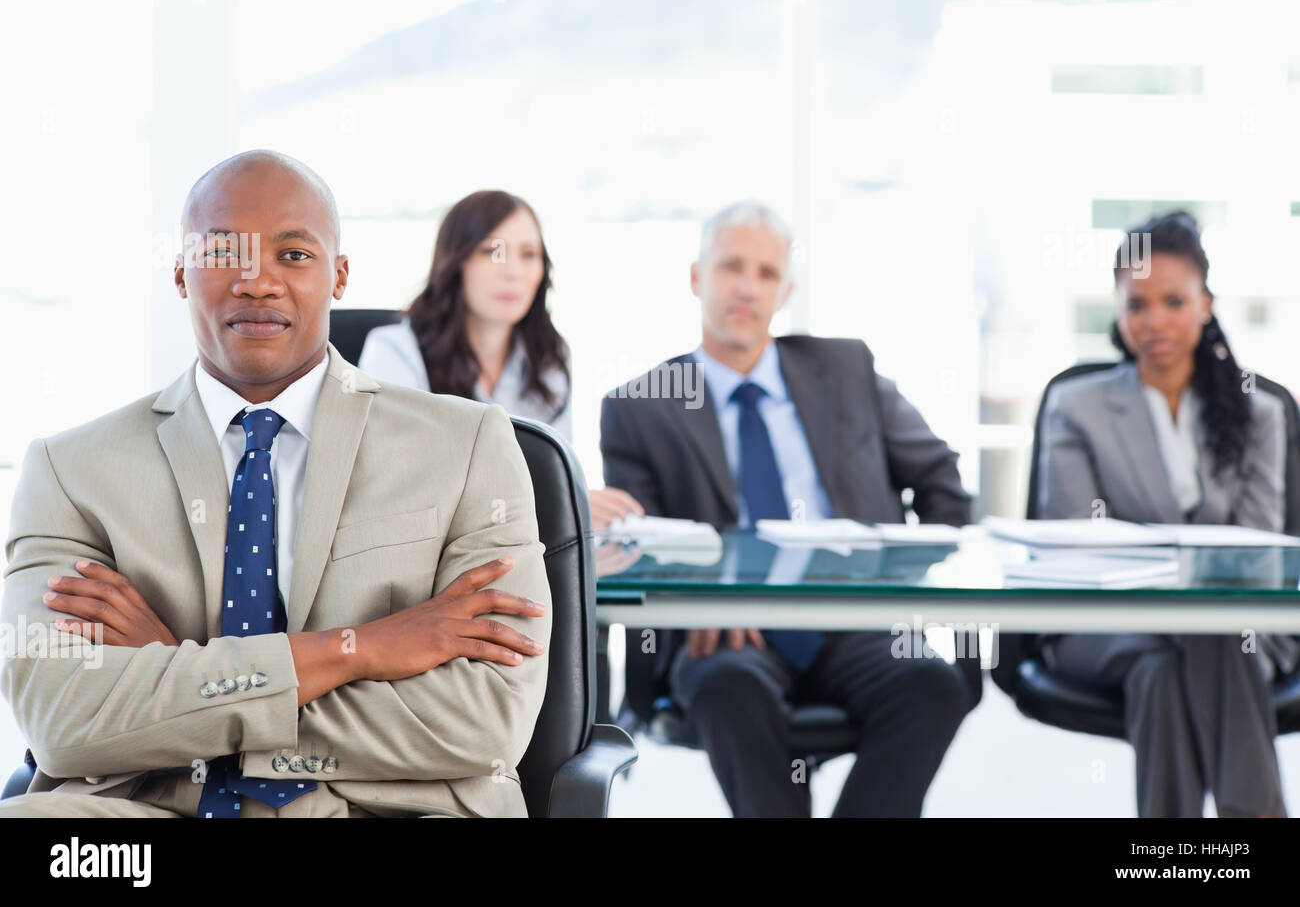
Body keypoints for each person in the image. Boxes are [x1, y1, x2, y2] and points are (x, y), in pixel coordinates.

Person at [0, 150, 550, 818]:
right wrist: (360, 650)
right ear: (180, 272)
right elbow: (62, 720)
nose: (256, 282)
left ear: (339, 275)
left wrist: (182, 676)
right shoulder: (70, 469)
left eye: (293, 255)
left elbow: (486, 719)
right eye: (224, 253)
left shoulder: (467, 445)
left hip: (389, 807)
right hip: (158, 805)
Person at [599, 201, 975, 817]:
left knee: (932, 683)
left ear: (786, 291)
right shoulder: (640, 407)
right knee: (727, 687)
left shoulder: (846, 368)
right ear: (697, 277)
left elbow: (940, 482)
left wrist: (907, 584)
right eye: (731, 268)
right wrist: (703, 598)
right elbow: (637, 542)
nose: (747, 287)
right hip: (727, 634)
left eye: (766, 274)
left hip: (856, 620)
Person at [1036, 210, 1291, 818]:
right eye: (1137, 304)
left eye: (1173, 301)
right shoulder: (1076, 407)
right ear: (1118, 313)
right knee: (1183, 650)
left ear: (1206, 305)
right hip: (1109, 624)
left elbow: (1257, 549)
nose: (1154, 322)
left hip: (1242, 623)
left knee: (1181, 660)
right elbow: (1081, 543)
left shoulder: (1260, 412)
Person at [358, 189, 641, 529]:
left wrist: (576, 501)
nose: (514, 272)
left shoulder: (550, 358)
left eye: (529, 254)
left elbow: (555, 466)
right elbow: (400, 487)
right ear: (456, 262)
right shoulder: (394, 351)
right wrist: (562, 500)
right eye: (493, 252)